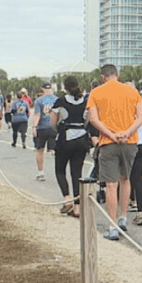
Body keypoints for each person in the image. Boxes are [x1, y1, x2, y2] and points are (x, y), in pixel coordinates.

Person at [88, 64, 142, 240]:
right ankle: (123, 217)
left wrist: (111, 134)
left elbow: (93, 119)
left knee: (111, 184)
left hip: (108, 142)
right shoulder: (131, 91)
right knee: (126, 179)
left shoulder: (96, 93)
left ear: (103, 76)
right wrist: (127, 132)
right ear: (117, 75)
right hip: (130, 142)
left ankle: (112, 226)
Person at [51, 76, 90, 218]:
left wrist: (59, 130)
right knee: (76, 173)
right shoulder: (85, 101)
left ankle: (66, 199)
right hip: (81, 138)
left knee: (60, 170)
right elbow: (88, 120)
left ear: (65, 87)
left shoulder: (60, 101)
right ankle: (77, 207)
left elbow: (53, 123)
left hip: (65, 138)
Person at [32, 82, 58, 181]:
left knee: (40, 150)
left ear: (42, 89)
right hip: (53, 127)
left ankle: (40, 172)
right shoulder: (56, 99)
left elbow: (37, 115)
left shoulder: (39, 100)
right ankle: (59, 171)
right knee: (54, 150)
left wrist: (34, 127)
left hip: (42, 127)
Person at [129, 109, 142, 225]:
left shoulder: (124, 107)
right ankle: (139, 211)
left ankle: (119, 212)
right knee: (137, 179)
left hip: (127, 144)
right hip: (140, 144)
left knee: (123, 178)